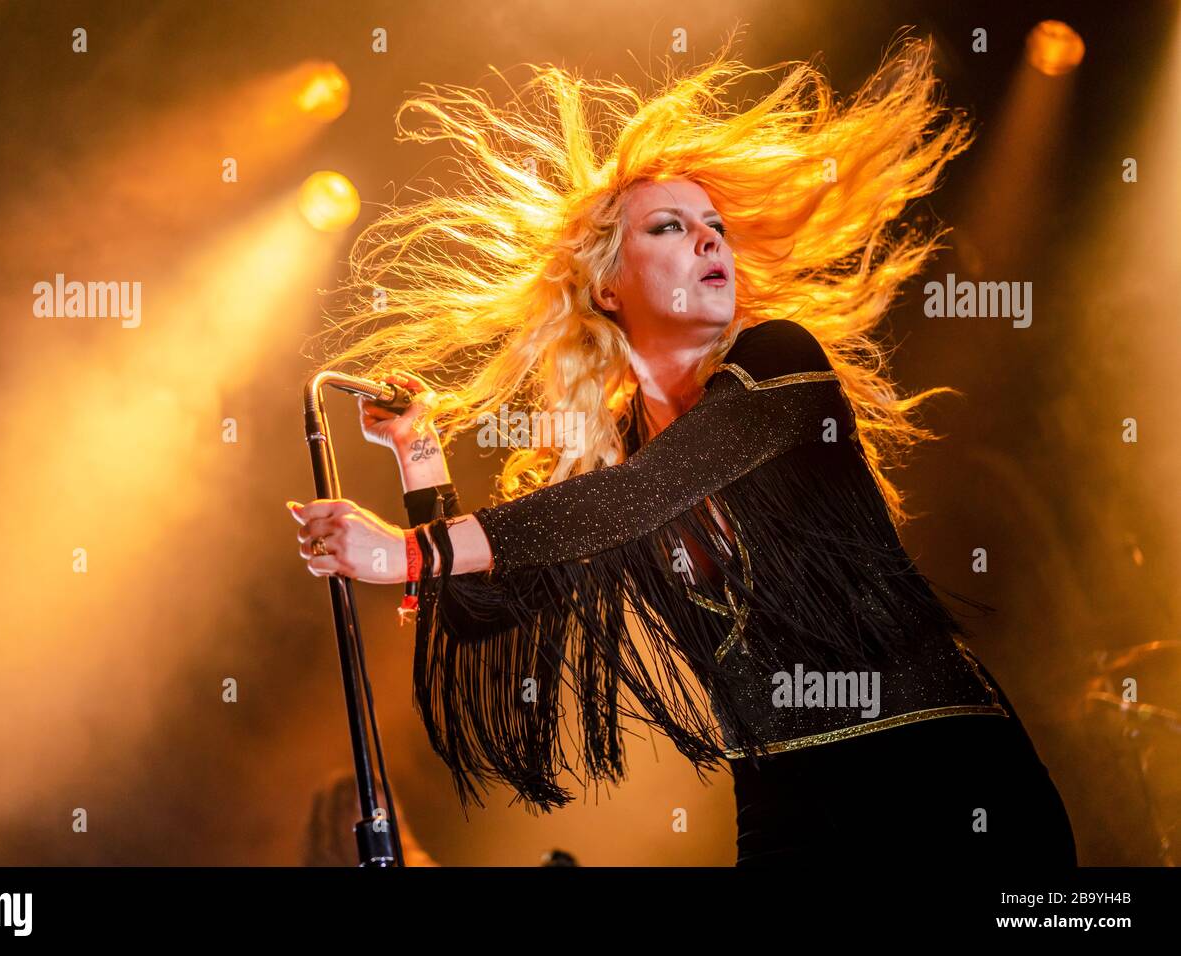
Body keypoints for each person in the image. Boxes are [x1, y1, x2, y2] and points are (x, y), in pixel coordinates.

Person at [287, 33, 1078, 866]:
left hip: (940, 774)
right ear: (606, 284)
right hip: (784, 802)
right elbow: (482, 613)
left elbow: (645, 494)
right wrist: (420, 457)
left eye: (716, 226)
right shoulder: (615, 464)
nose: (710, 242)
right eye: (671, 226)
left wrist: (403, 552)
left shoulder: (780, 362)